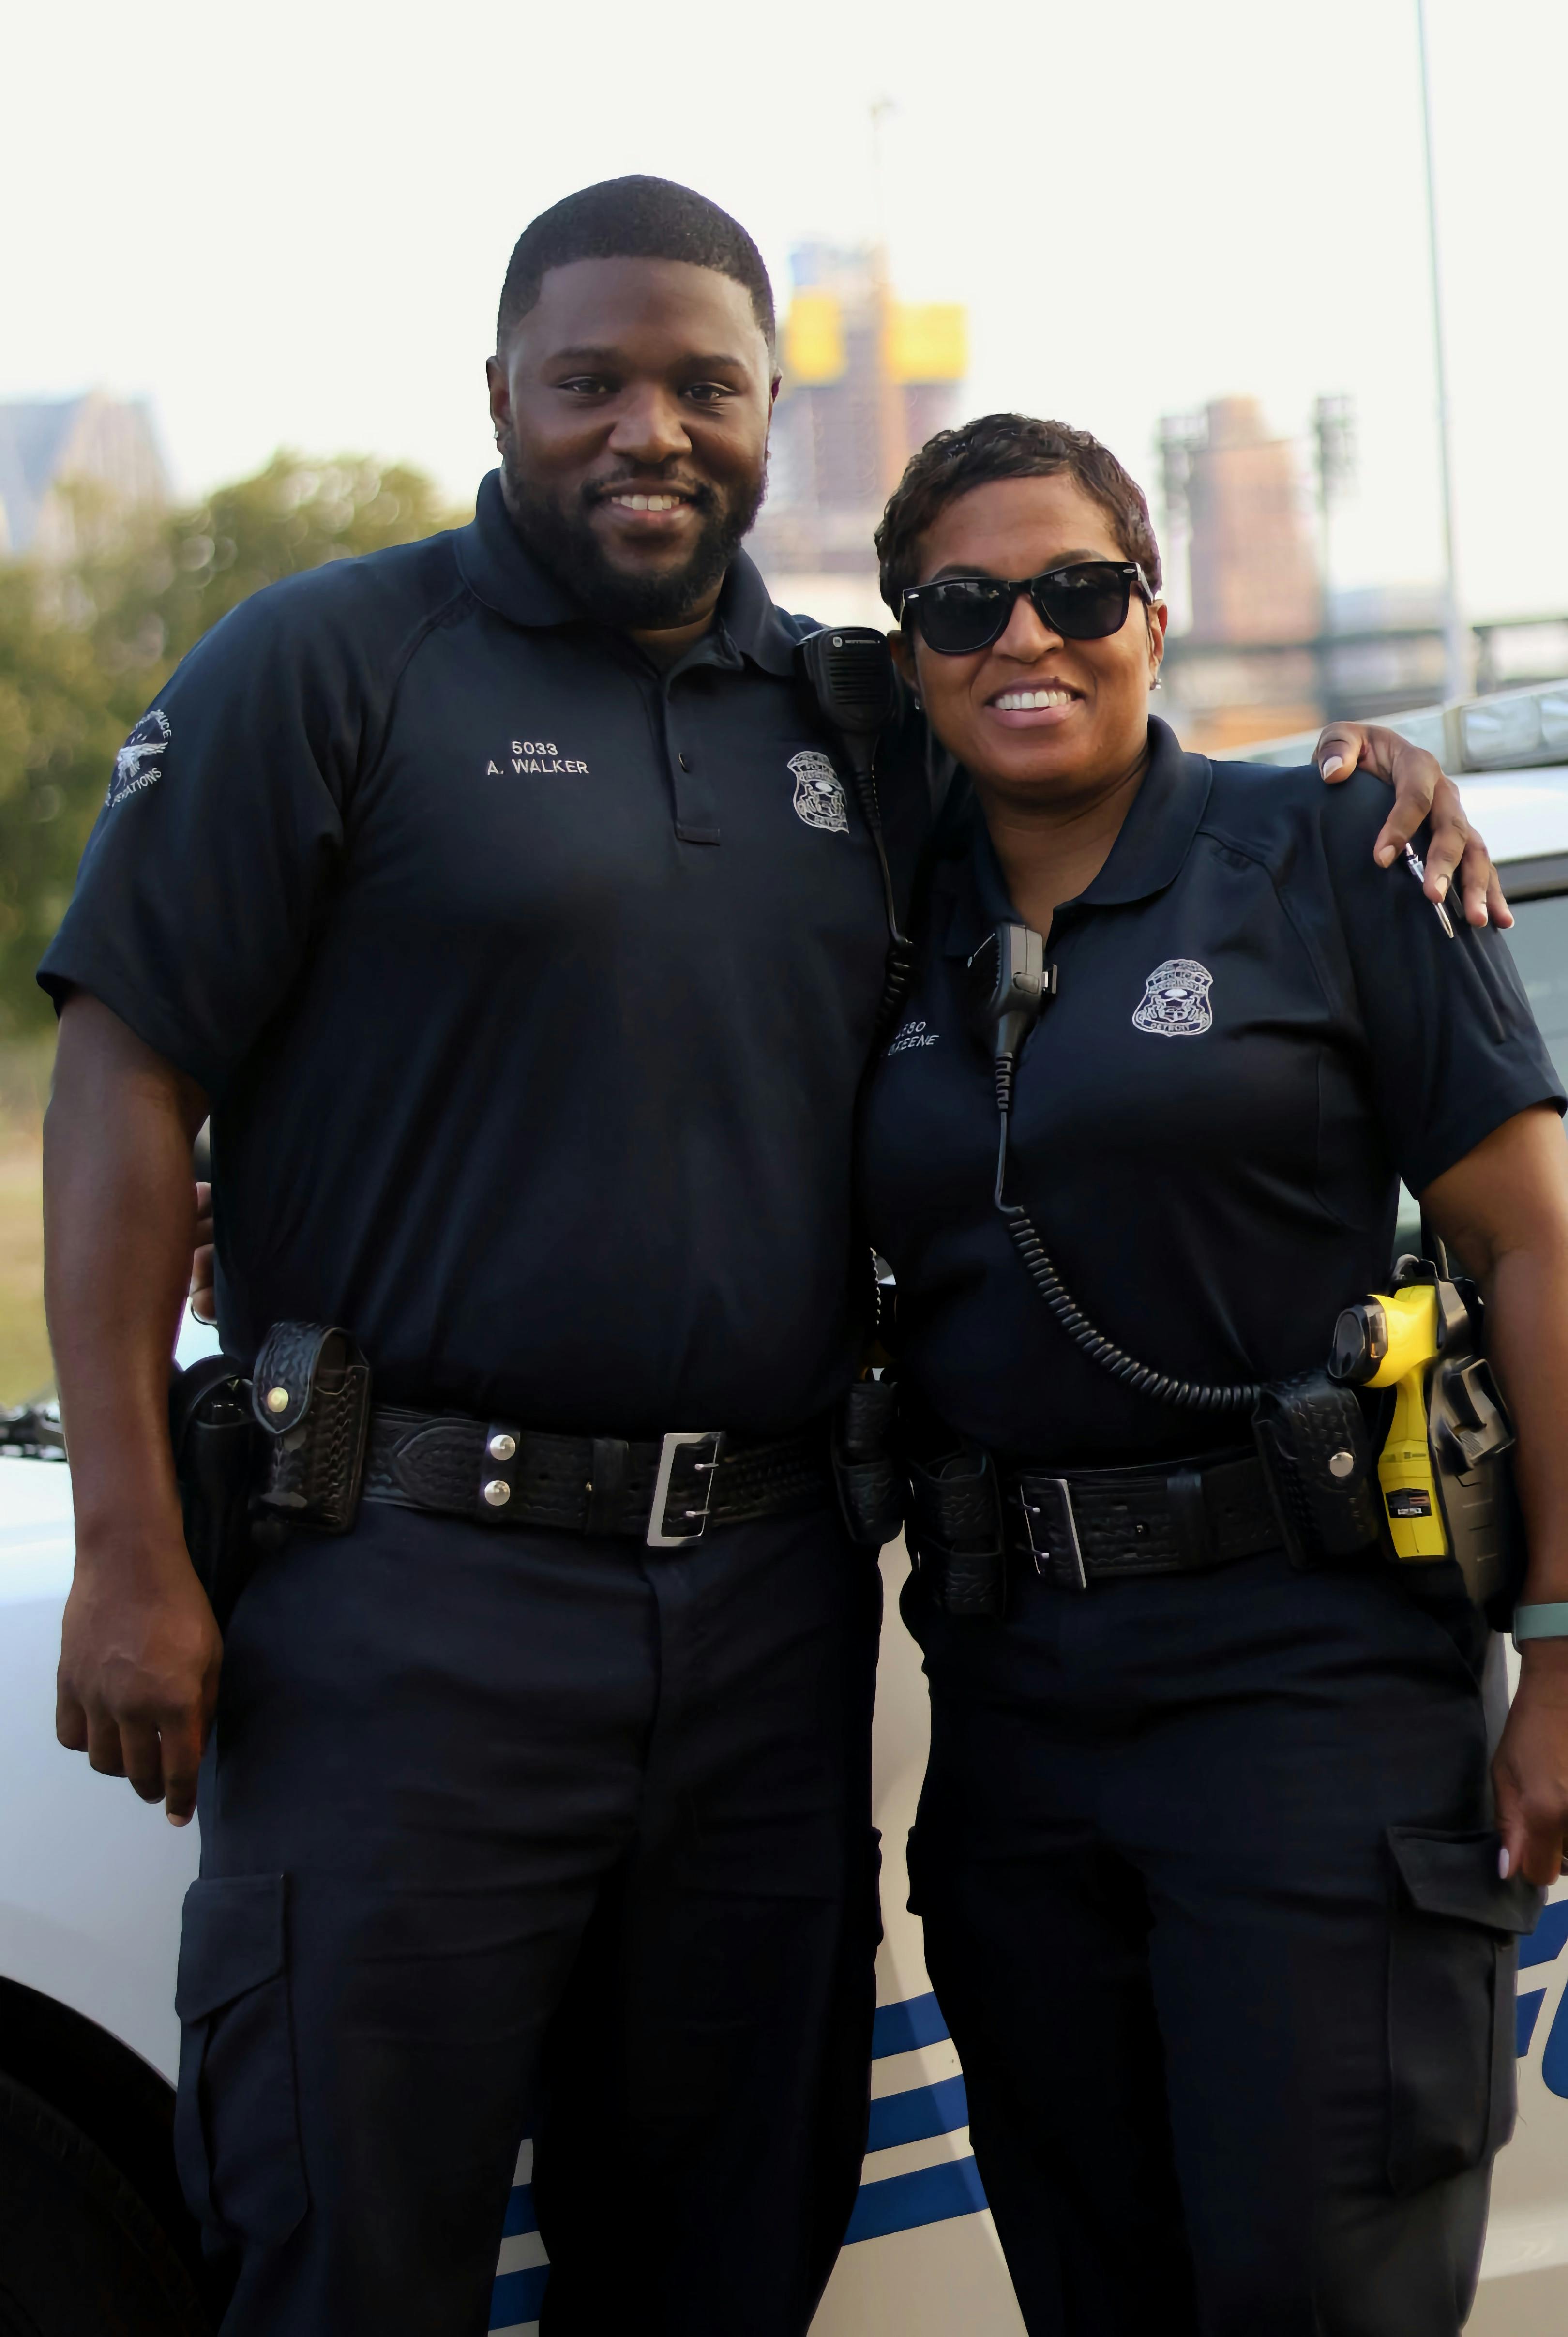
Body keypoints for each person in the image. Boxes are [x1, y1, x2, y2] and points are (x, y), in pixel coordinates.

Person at [40, 173, 1495, 2336]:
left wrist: (1379, 774)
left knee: (727, 2250)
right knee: (350, 2251)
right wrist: (128, 1549)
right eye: (592, 382)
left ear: (768, 409)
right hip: (409, 1610)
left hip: (765, 1621)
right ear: (501, 396)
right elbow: (123, 1084)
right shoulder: (328, 666)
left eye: (705, 384)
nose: (651, 428)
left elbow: (1104, 768)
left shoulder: (845, 714)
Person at [859, 409, 1568, 2337]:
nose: (1029, 639)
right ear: (908, 651)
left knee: (1311, 2293)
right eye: (966, 605)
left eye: (1079, 591)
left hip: (1311, 1697)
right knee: (1101, 2294)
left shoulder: (1337, 849)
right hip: (1012, 1718)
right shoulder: (870, 925)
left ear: (1154, 617)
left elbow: (1530, 1246)